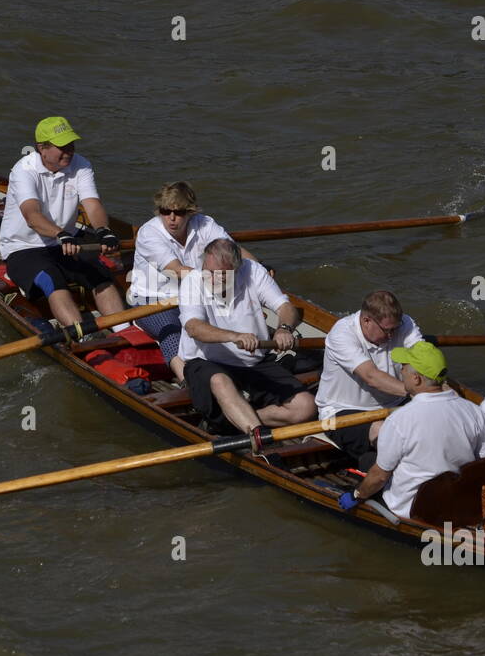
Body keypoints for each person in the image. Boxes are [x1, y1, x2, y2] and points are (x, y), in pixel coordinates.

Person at [0, 116, 126, 327]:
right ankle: (83, 339)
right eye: (62, 147)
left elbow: (92, 204)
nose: (69, 151)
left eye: (71, 144)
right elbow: (32, 215)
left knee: (99, 274)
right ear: (42, 148)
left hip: (66, 243)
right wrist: (60, 233)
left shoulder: (81, 165)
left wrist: (103, 230)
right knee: (53, 280)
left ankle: (124, 330)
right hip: (23, 248)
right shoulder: (24, 171)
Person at [179, 238, 316, 436]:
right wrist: (234, 336)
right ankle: (258, 437)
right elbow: (194, 328)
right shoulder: (193, 280)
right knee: (219, 380)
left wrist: (284, 329)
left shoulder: (253, 271)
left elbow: (285, 307)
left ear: (237, 269)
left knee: (306, 407)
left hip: (254, 362)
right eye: (209, 272)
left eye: (222, 275)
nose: (213, 279)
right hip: (206, 362)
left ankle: (231, 421)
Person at [339, 341, 485, 518]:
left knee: (367, 462)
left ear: (417, 378)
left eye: (404, 366)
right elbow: (484, 462)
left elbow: (380, 477)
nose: (401, 371)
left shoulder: (399, 420)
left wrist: (356, 494)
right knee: (370, 460)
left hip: (411, 508)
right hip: (455, 499)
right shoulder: (473, 410)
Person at [127, 181, 255, 382]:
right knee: (173, 334)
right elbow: (178, 270)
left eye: (178, 212)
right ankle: (189, 382)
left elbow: (232, 251)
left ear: (190, 212)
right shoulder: (149, 233)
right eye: (165, 211)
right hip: (154, 300)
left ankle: (244, 368)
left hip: (197, 294)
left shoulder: (205, 224)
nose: (171, 218)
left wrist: (259, 270)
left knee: (231, 320)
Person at [315, 290, 422, 470]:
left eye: (395, 329)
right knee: (384, 432)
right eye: (387, 330)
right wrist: (418, 392)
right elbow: (372, 377)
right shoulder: (342, 333)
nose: (392, 336)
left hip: (395, 404)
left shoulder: (405, 324)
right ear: (366, 321)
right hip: (342, 413)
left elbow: (422, 360)